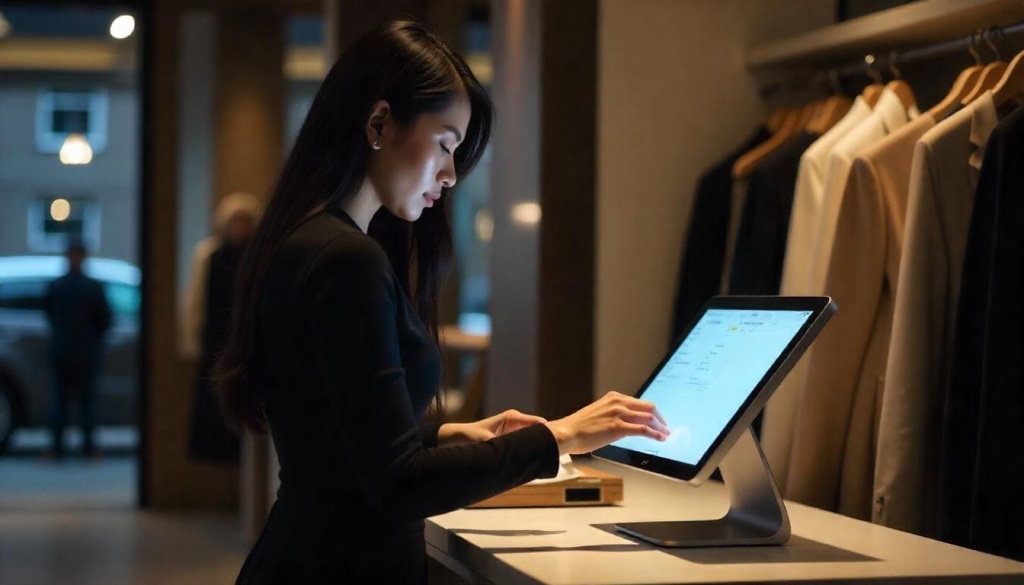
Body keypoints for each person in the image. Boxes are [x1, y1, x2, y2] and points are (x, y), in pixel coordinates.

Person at [216, 20, 669, 584]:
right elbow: (398, 485)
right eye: (446, 144)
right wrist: (562, 435)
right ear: (379, 122)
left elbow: (336, 441)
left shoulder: (307, 240)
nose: (452, 174)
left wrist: (445, 435)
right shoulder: (347, 260)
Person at [182, 193, 261, 462]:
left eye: (245, 221)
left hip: (246, 343)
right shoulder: (211, 257)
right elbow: (196, 301)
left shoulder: (257, 256)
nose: (240, 228)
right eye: (235, 222)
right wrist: (192, 340)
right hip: (215, 342)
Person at [43, 241, 111, 460]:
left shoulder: (61, 286)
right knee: (75, 403)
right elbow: (104, 321)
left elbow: (50, 315)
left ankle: (67, 448)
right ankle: (75, 448)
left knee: (77, 403)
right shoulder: (85, 287)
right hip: (79, 352)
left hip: (71, 352)